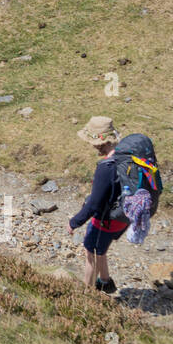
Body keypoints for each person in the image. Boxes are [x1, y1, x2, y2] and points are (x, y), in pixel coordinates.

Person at [66, 117, 139, 293]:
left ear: (100, 142)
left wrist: (74, 222)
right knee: (101, 249)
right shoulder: (128, 155)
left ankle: (87, 295)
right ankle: (106, 282)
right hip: (124, 216)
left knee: (90, 252)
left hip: (107, 220)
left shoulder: (106, 167)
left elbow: (94, 203)